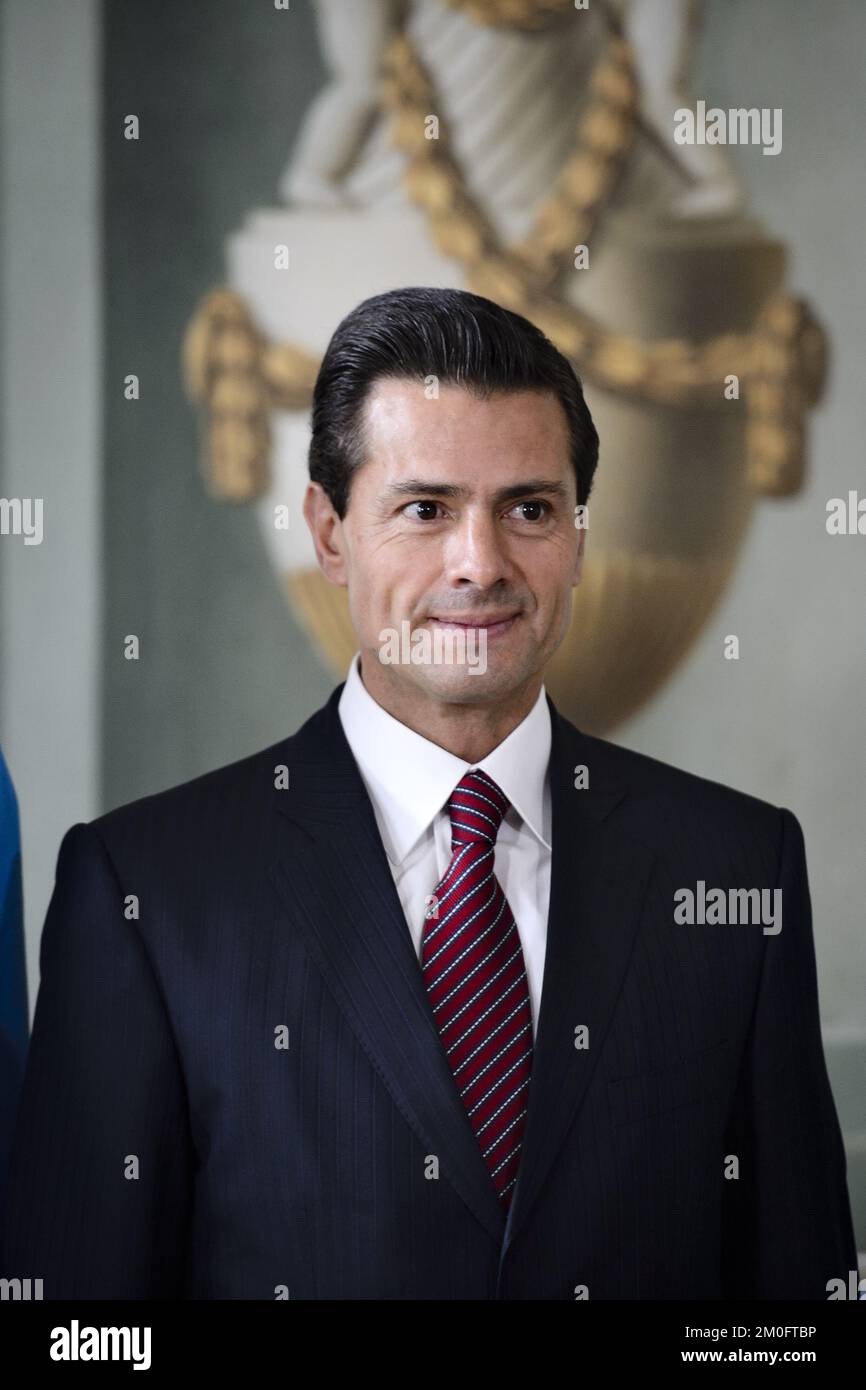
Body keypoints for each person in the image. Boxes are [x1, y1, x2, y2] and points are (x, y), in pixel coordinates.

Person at [1, 287, 856, 1299]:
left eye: (528, 509)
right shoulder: (144, 890)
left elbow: (793, 1318)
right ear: (329, 531)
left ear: (578, 536)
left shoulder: (734, 867)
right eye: (425, 508)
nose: (480, 563)